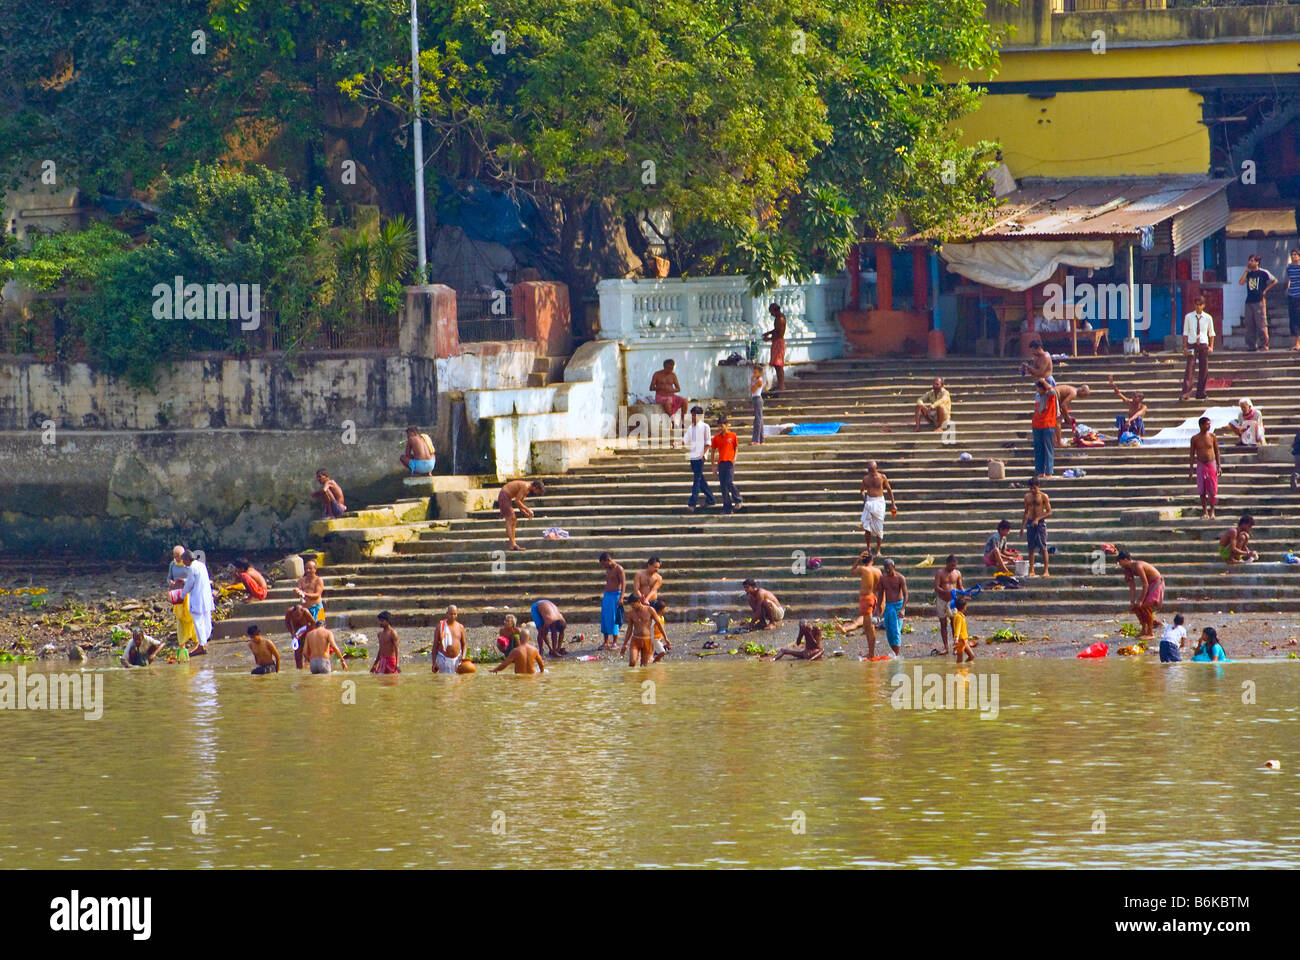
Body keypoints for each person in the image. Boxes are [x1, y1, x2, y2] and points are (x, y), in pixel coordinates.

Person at [1117, 551, 1164, 641]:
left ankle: (1150, 632)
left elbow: (1145, 584)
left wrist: (1141, 600)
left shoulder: (1138, 566)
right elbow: (1132, 586)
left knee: (1145, 606)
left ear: (1126, 559)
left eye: (1120, 561)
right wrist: (1132, 601)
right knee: (1136, 607)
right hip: (1149, 585)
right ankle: (1144, 629)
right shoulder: (1127, 569)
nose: (1119, 564)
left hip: (1156, 582)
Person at [846, 551, 883, 658]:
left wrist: (857, 559)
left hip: (866, 599)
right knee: (868, 627)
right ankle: (870, 653)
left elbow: (852, 570)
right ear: (872, 560)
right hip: (874, 598)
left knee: (869, 628)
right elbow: (880, 588)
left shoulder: (863, 569)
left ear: (863, 561)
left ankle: (871, 654)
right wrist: (881, 603)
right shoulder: (878, 571)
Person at [1238, 253, 1277, 351]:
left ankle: (1263, 343)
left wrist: (1265, 290)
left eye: (1252, 260)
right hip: (1249, 301)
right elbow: (1241, 282)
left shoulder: (1263, 272)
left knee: (1261, 324)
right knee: (1249, 324)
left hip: (1259, 300)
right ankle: (1251, 345)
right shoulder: (1249, 273)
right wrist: (1246, 271)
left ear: (1257, 262)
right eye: (1249, 260)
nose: (1250, 262)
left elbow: (1275, 280)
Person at [179, 550, 215, 655]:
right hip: (206, 597)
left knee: (198, 622)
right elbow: (197, 579)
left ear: (186, 560)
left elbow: (190, 584)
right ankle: (204, 642)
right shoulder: (201, 566)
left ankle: (201, 645)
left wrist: (182, 596)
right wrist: (184, 581)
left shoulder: (192, 568)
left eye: (183, 561)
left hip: (198, 599)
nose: (183, 563)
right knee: (206, 620)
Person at [1179, 296, 1214, 401]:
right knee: (1189, 367)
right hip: (1192, 344)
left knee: (1204, 369)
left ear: (1203, 305)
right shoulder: (1188, 317)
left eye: (1200, 304)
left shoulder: (1208, 318)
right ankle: (1186, 393)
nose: (1198, 307)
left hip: (1203, 344)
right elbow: (1185, 333)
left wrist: (1211, 346)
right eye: (1196, 304)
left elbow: (1211, 333)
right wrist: (1185, 347)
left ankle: (1201, 392)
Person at [859, 461, 897, 553]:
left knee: (879, 527)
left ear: (876, 469)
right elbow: (862, 490)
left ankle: (878, 549)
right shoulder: (865, 479)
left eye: (872, 470)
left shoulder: (882, 477)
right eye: (869, 470)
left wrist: (893, 504)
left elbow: (889, 490)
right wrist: (865, 500)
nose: (871, 472)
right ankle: (868, 547)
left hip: (879, 502)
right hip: (869, 502)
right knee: (867, 527)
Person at [684, 405, 716, 512]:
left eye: (695, 415)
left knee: (696, 480)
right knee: (700, 479)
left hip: (700, 457)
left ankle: (692, 502)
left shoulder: (705, 427)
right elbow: (685, 440)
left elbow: (708, 443)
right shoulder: (690, 428)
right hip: (693, 456)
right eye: (692, 415)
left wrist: (703, 454)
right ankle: (711, 498)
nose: (693, 417)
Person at [708, 415, 742, 514]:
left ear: (726, 425)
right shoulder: (716, 438)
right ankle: (727, 507)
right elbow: (713, 451)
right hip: (721, 463)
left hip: (729, 462)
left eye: (722, 426)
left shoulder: (732, 435)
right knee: (723, 486)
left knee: (729, 482)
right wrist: (713, 465)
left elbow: (736, 448)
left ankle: (738, 499)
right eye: (718, 426)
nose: (720, 428)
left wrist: (734, 458)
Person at [167, 545, 199, 652]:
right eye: (175, 556)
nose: (177, 558)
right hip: (177, 592)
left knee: (190, 617)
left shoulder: (189, 565)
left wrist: (183, 581)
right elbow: (169, 577)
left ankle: (196, 642)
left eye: (179, 556)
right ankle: (182, 643)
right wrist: (171, 582)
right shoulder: (172, 564)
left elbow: (192, 578)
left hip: (188, 593)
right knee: (180, 618)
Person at [497, 478, 544, 551]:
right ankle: (512, 545)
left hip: (506, 497)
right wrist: (528, 510)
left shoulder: (527, 489)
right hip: (504, 496)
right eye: (538, 491)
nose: (536, 493)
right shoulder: (525, 486)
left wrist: (525, 512)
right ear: (536, 487)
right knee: (510, 519)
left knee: (514, 520)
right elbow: (517, 501)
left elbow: (519, 504)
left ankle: (513, 544)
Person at [1189, 416, 1222, 519]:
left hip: (1211, 463)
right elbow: (1192, 454)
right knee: (1202, 490)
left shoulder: (1212, 436)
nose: (1209, 426)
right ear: (1201, 425)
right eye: (1207, 424)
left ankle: (1212, 512)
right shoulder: (1195, 438)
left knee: (1212, 490)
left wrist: (1219, 466)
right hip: (1201, 464)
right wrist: (1191, 470)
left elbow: (1217, 451)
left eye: (1209, 424)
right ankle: (1205, 512)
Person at [1020, 477, 1052, 577]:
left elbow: (1049, 512)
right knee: (1031, 547)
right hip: (1030, 523)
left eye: (1034, 488)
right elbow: (1026, 512)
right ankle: (1031, 570)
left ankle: (1046, 570)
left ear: (1038, 486)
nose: (1032, 490)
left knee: (1043, 546)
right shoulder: (1027, 497)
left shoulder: (1043, 496)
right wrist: (1022, 527)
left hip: (1040, 523)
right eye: (1031, 488)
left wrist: (1038, 519)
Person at [649, 360, 687, 444]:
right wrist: (660, 387)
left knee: (685, 401)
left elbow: (678, 388)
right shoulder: (657, 374)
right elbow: (651, 388)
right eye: (669, 368)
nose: (670, 370)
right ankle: (673, 422)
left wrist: (672, 389)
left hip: (672, 396)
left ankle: (682, 421)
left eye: (672, 368)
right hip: (661, 397)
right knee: (667, 402)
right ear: (664, 367)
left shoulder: (673, 375)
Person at [932, 555, 963, 655]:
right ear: (947, 563)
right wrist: (946, 592)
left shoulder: (957, 573)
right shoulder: (939, 573)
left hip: (952, 601)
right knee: (943, 624)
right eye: (951, 565)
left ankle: (955, 647)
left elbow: (960, 587)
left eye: (955, 566)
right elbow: (936, 587)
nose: (953, 567)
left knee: (954, 624)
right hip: (941, 600)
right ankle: (946, 647)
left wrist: (966, 593)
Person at [432, 605, 475, 674]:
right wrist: (434, 663)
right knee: (444, 681)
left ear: (457, 615)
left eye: (454, 614)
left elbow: (464, 645)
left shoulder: (460, 627)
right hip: (443, 658)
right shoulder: (440, 626)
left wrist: (463, 658)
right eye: (451, 614)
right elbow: (435, 646)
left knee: (457, 681)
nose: (452, 616)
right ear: (447, 614)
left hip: (457, 658)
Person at [598, 552, 627, 649]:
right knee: (605, 617)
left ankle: (615, 642)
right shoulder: (607, 569)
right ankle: (605, 641)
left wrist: (621, 597)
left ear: (608, 560)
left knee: (614, 618)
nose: (603, 566)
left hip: (616, 595)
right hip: (607, 595)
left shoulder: (619, 569)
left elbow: (623, 583)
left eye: (604, 564)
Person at [880, 559, 908, 658]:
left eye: (890, 569)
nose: (888, 572)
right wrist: (878, 608)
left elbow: (906, 595)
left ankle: (896, 654)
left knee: (896, 629)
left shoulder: (900, 578)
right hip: (888, 606)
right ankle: (894, 651)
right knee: (889, 630)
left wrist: (902, 609)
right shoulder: (883, 578)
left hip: (898, 606)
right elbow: (880, 594)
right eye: (886, 570)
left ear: (894, 567)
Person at [620, 593, 656, 667]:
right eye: (631, 605)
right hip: (635, 640)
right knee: (632, 662)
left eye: (633, 605)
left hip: (647, 640)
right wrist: (625, 644)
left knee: (644, 665)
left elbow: (659, 624)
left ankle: (642, 678)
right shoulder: (630, 613)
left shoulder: (650, 610)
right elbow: (629, 629)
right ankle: (630, 677)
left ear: (639, 601)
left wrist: (666, 638)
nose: (632, 607)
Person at [1031, 378, 1057, 477]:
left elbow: (1052, 391)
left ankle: (1049, 472)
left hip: (1048, 425)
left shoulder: (1050, 396)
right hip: (1037, 425)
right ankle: (1040, 471)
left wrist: (1044, 382)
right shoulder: (1037, 395)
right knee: (1038, 449)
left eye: (1039, 388)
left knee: (1048, 449)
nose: (1038, 390)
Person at [762, 302, 787, 393]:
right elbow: (776, 330)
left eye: (771, 312)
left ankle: (781, 385)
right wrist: (768, 333)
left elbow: (779, 333)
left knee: (778, 365)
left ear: (775, 310)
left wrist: (768, 339)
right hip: (777, 341)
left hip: (778, 342)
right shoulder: (778, 318)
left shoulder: (780, 318)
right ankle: (780, 384)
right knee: (777, 365)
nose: (771, 314)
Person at [285, 603, 317, 670]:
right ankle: (299, 669)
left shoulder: (306, 612)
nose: (297, 618)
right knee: (297, 654)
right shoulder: (289, 612)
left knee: (308, 653)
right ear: (293, 612)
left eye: (299, 615)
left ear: (302, 612)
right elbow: (287, 623)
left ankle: (311, 666)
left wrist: (305, 631)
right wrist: (292, 632)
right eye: (296, 615)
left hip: (306, 632)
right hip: (296, 634)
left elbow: (313, 623)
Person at [295, 558, 325, 623]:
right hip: (305, 608)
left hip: (316, 608)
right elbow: (299, 592)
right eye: (306, 569)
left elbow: (317, 595)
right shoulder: (301, 580)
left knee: (318, 629)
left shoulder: (318, 580)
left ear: (315, 569)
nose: (308, 570)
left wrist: (304, 594)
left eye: (310, 568)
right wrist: (297, 592)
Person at [951, 597, 974, 663]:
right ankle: (959, 671)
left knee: (971, 656)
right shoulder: (958, 617)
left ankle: (963, 670)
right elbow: (957, 629)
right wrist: (956, 638)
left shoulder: (960, 616)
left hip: (964, 640)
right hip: (960, 641)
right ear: (964, 607)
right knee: (959, 660)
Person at [1286, 248, 1300, 351]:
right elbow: (1289, 279)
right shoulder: (1289, 268)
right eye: (1292, 255)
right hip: (1292, 295)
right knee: (1293, 320)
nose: (1294, 256)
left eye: (1295, 254)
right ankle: (1296, 343)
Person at [749, 363, 766, 444]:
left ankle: (756, 440)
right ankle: (761, 439)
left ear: (760, 373)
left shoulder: (759, 381)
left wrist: (752, 381)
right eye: (753, 372)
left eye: (756, 372)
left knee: (757, 420)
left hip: (758, 399)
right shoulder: (757, 380)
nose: (754, 374)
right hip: (755, 399)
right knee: (760, 419)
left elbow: (752, 390)